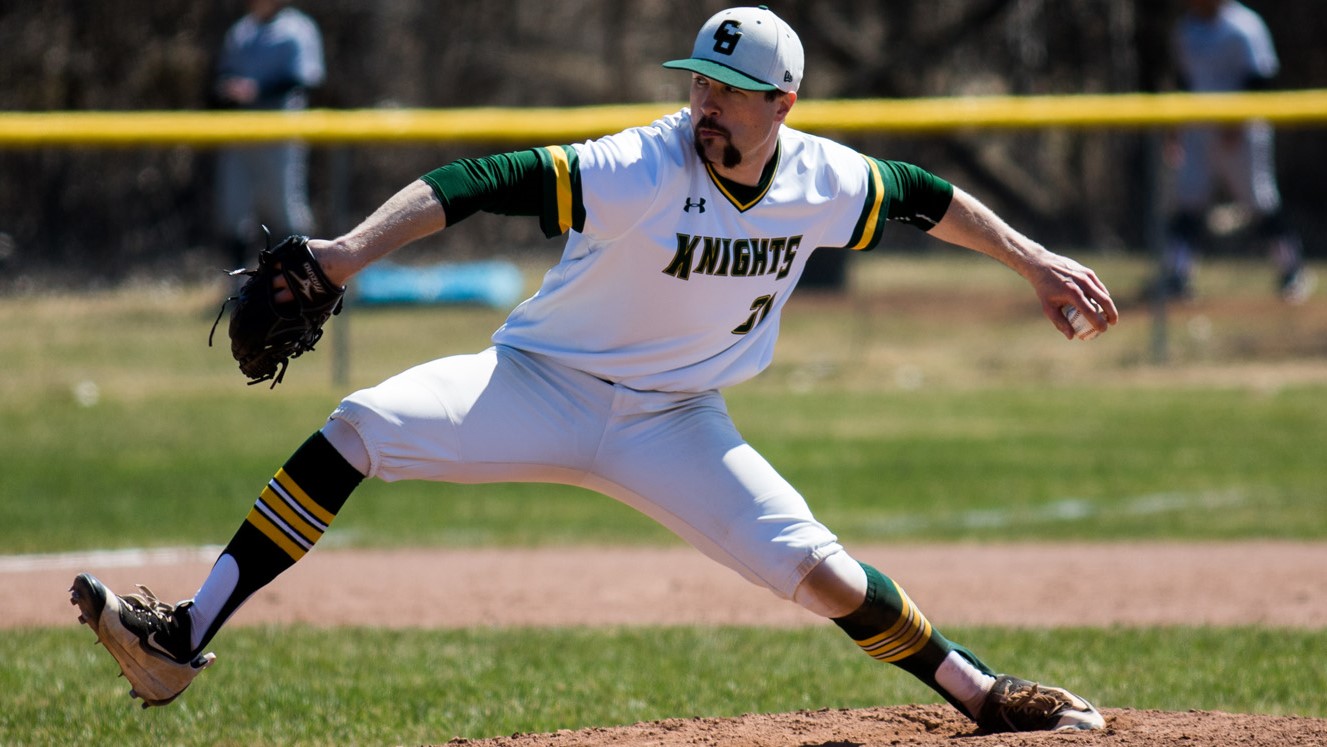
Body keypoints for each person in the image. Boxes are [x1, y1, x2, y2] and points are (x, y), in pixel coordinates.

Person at [71, 6, 1116, 734]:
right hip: (538, 385)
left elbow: (925, 195)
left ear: (783, 103)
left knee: (820, 573)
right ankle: (180, 642)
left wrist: (1033, 262)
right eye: (699, 83)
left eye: (731, 92)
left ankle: (977, 694)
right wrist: (346, 254)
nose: (706, 105)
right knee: (355, 427)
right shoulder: (640, 163)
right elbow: (478, 182)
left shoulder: (824, 180)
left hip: (677, 423)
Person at [1153, 0, 1314, 302]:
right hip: (1199, 129)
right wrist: (1175, 131)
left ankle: (1292, 269)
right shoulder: (1186, 28)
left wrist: (1236, 123)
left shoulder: (1244, 26)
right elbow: (1183, 82)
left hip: (1242, 132)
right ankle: (1177, 274)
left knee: (1259, 200)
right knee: (1188, 202)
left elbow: (1261, 79)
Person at [212, 0, 325, 270]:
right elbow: (225, 74)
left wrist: (258, 89)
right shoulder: (242, 31)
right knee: (234, 210)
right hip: (241, 130)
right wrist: (229, 88)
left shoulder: (297, 28)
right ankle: (238, 285)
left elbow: (306, 77)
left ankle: (301, 276)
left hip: (280, 132)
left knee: (286, 210)